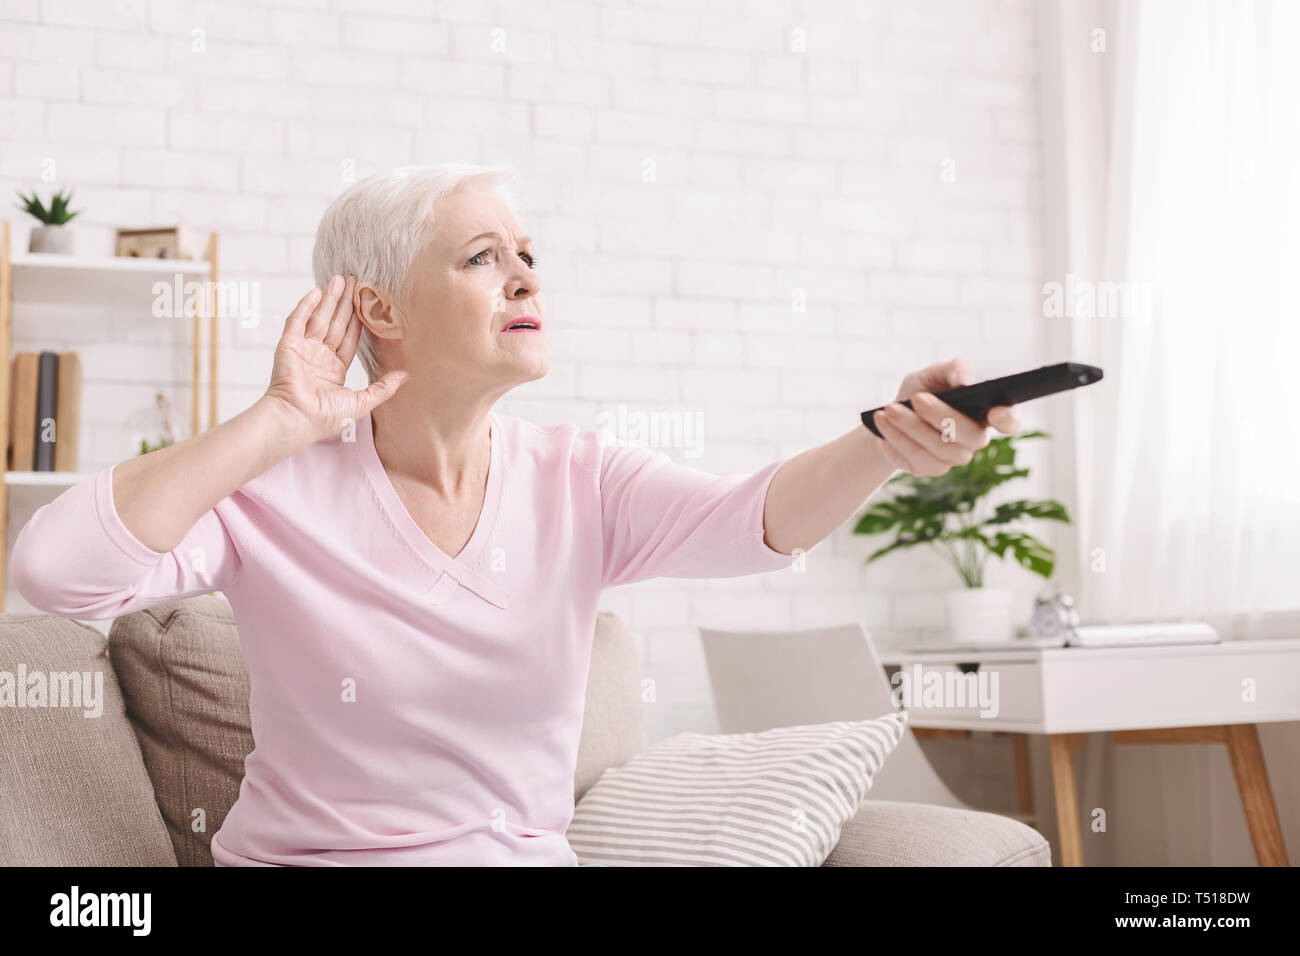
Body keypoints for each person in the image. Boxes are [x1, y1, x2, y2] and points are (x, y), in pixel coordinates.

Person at [10, 163, 1020, 866]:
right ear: (381, 309)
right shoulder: (274, 485)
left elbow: (749, 520)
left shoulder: (577, 476)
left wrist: (886, 440)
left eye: (526, 253)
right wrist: (271, 422)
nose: (528, 276)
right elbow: (54, 571)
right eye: (482, 257)